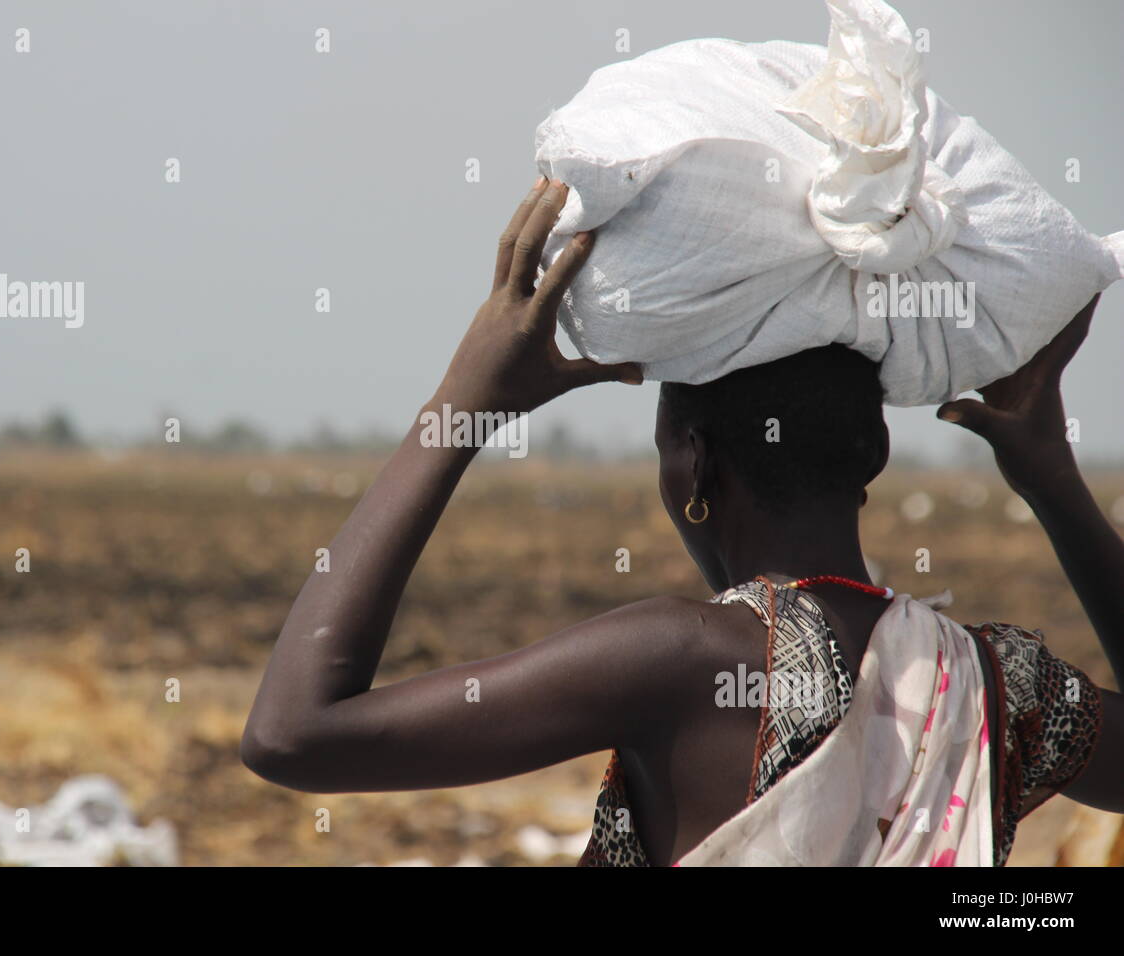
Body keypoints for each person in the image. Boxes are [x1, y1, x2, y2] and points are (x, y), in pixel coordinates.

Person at [242, 179, 1123, 866]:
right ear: (873, 461)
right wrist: (1052, 483)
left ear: (695, 464)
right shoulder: (999, 684)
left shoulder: (682, 656)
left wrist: (458, 408)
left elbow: (294, 734)